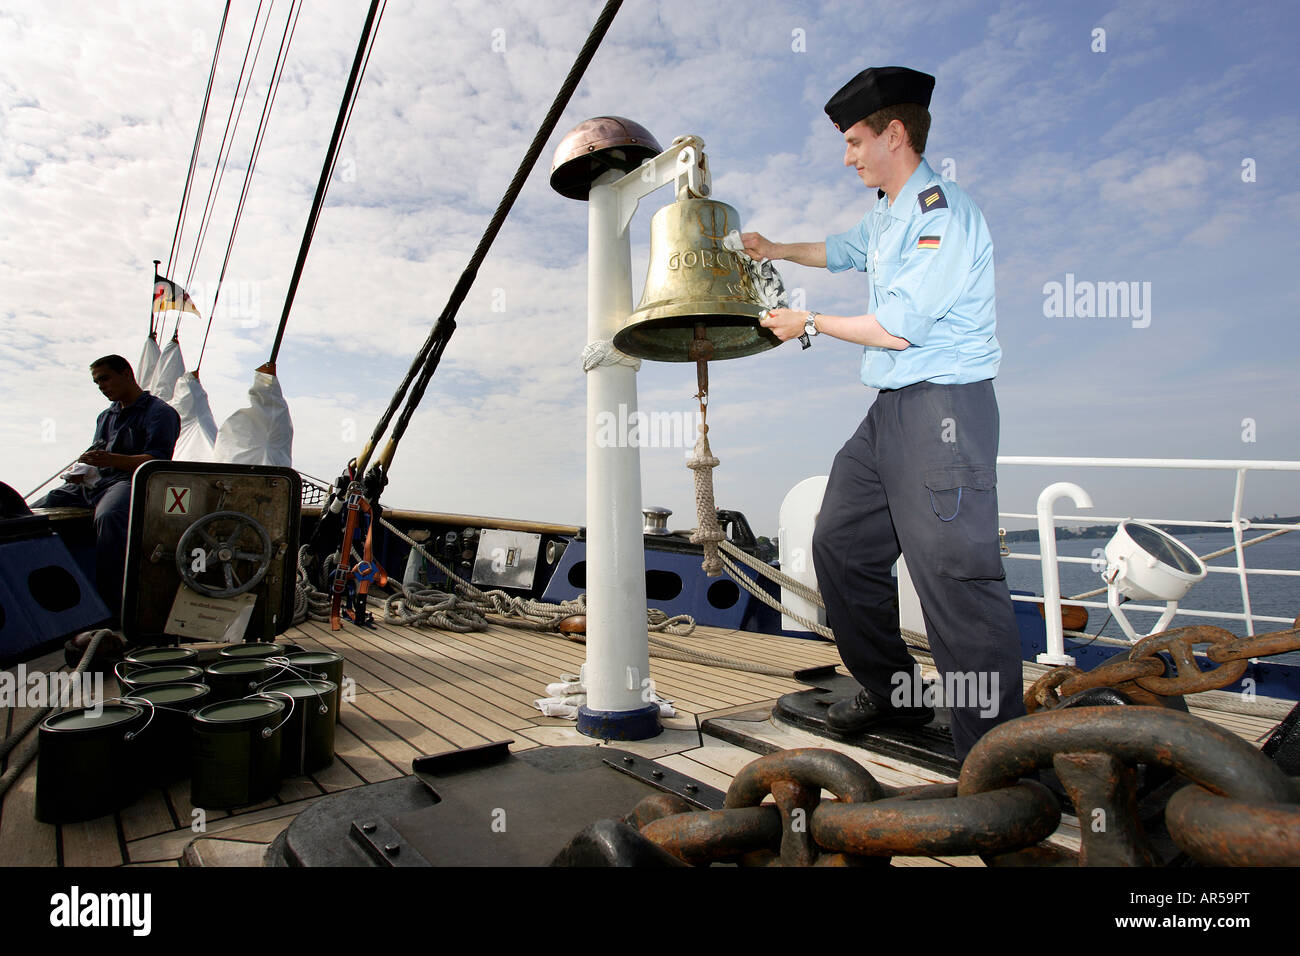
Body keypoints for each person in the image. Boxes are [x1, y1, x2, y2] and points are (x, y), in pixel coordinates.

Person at [742, 66, 1025, 761]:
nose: (848, 156)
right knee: (840, 545)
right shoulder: (888, 211)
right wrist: (776, 249)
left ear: (893, 134)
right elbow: (842, 251)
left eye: (855, 141)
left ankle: (1001, 761)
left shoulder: (942, 214)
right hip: (890, 412)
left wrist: (808, 323)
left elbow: (900, 328)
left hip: (943, 409)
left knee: (954, 582)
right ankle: (897, 695)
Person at [34, 355, 181, 620]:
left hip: (129, 483)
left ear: (127, 373)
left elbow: (158, 463)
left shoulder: (161, 413)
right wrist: (84, 470)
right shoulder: (106, 416)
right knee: (32, 511)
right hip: (96, 484)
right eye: (96, 382)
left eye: (105, 378)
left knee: (110, 516)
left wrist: (112, 460)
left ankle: (112, 606)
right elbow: (98, 452)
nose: (101, 386)